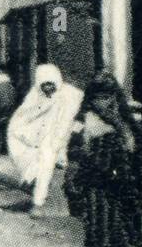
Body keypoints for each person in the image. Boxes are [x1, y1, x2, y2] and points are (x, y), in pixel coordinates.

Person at [64, 72, 142, 247]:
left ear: (115, 96)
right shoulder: (83, 120)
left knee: (119, 223)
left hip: (122, 182)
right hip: (95, 182)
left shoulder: (124, 117)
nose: (103, 102)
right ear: (91, 98)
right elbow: (74, 149)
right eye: (98, 97)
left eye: (107, 96)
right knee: (99, 223)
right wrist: (73, 174)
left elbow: (139, 146)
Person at [7, 63, 84, 214]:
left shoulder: (70, 95)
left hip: (68, 137)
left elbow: (76, 116)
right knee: (41, 165)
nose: (48, 88)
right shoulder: (35, 95)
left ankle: (58, 204)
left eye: (51, 84)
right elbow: (23, 116)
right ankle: (39, 202)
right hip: (44, 139)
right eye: (44, 85)